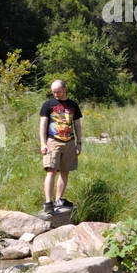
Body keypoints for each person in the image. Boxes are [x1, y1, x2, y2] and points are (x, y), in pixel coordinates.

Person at [38, 79, 82, 216]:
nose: (56, 94)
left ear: (65, 89)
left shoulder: (73, 105)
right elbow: (43, 125)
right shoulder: (48, 105)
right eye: (54, 92)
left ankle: (58, 199)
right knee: (51, 171)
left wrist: (79, 143)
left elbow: (77, 125)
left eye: (58, 91)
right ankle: (48, 202)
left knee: (65, 172)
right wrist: (43, 143)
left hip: (69, 142)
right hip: (53, 141)